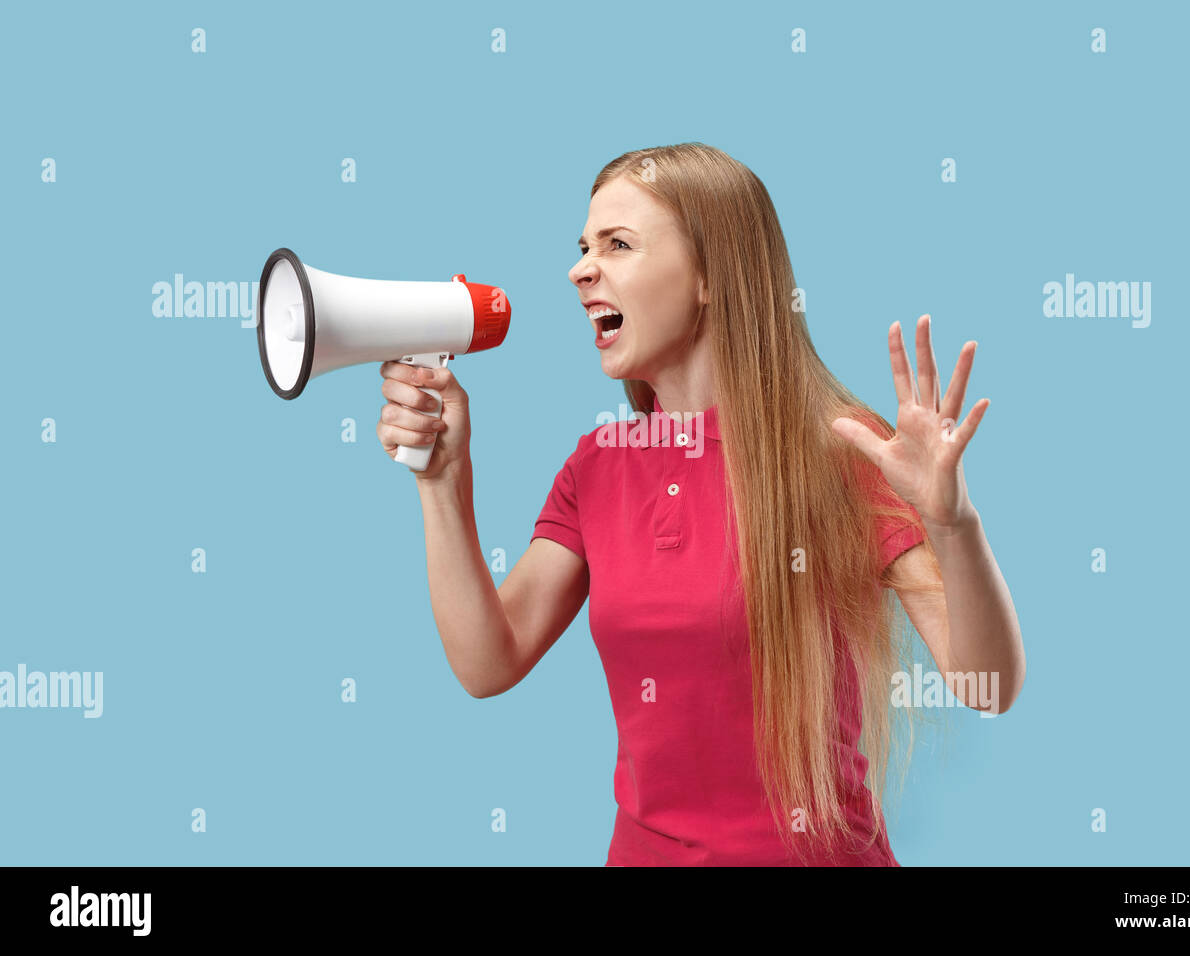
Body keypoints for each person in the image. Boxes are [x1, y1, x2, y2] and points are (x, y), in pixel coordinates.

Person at [376, 143, 1026, 866]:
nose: (580, 269)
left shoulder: (845, 450)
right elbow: (486, 662)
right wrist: (442, 483)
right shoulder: (598, 466)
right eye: (583, 247)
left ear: (713, 276)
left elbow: (988, 686)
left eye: (618, 245)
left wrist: (953, 524)